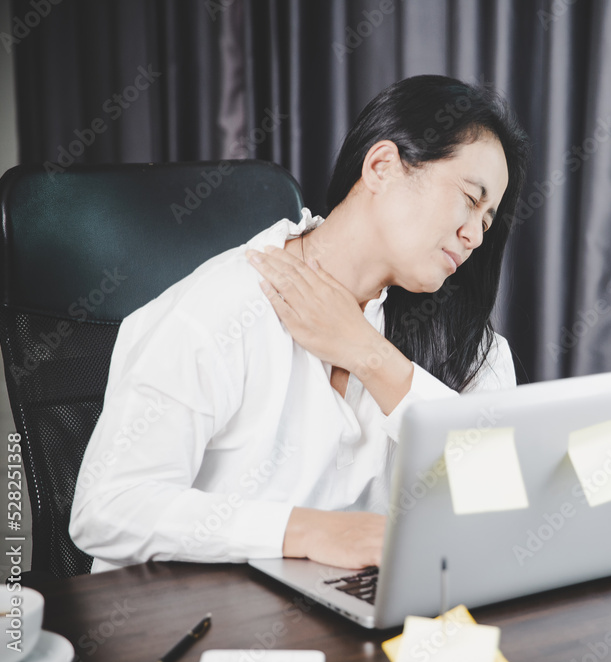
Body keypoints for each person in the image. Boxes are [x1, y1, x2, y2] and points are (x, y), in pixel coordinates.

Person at [69, 75, 530, 574]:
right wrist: (307, 531)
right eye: (469, 198)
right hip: (201, 626)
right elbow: (107, 508)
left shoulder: (466, 343)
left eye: (487, 220)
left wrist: (370, 357)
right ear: (381, 167)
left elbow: (502, 498)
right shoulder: (221, 308)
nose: (475, 236)